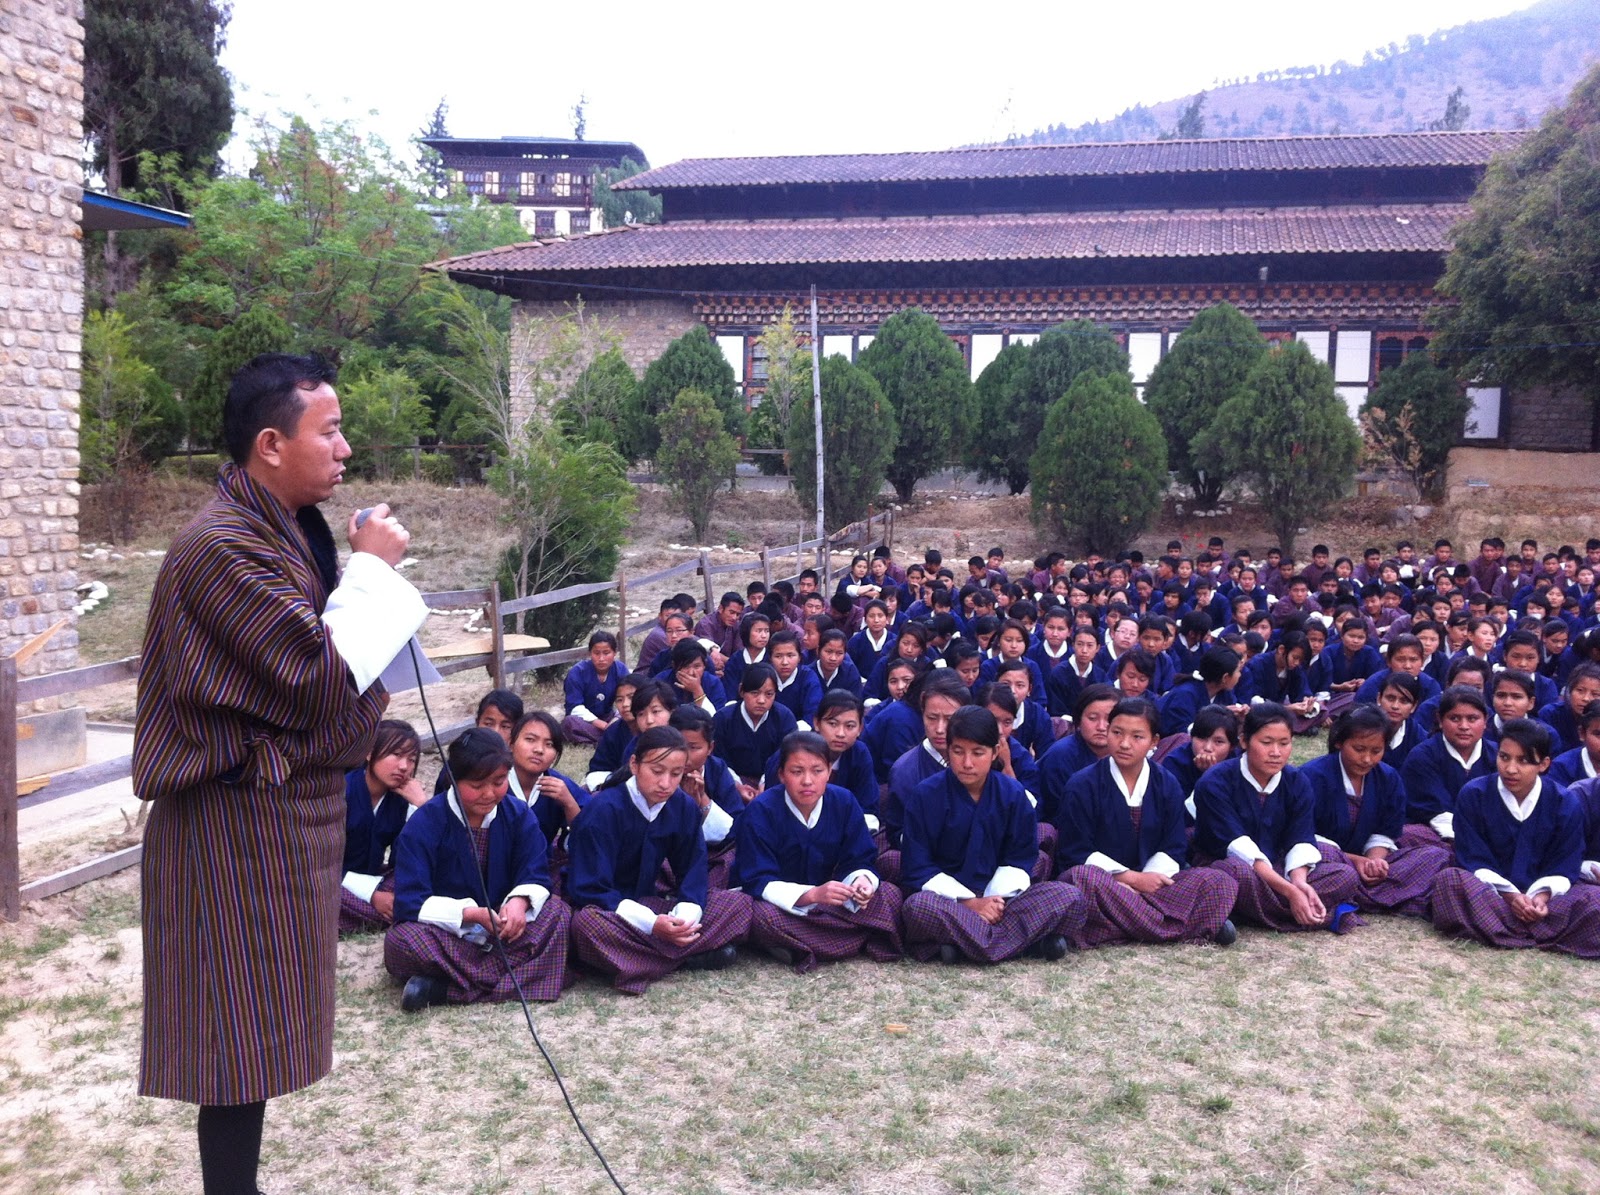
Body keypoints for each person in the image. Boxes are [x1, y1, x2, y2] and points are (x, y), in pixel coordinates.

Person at [134, 353, 426, 1195]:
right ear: (270, 443)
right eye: (328, 430)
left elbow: (324, 679)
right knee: (232, 1035)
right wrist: (371, 570)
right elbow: (315, 675)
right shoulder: (221, 546)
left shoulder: (282, 530)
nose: (344, 448)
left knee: (258, 1029)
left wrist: (360, 579)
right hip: (228, 823)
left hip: (281, 816)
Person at [383, 729, 573, 1010]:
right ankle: (524, 976)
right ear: (453, 779)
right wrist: (471, 914)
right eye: (477, 784)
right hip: (449, 935)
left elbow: (535, 872)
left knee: (558, 913)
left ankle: (443, 990)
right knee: (401, 942)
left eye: (499, 782)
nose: (489, 793)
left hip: (508, 932)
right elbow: (411, 902)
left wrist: (520, 902)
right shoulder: (424, 822)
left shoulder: (519, 815)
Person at [566, 726, 754, 994]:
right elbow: (589, 889)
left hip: (653, 903)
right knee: (586, 927)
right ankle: (687, 957)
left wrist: (686, 916)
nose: (666, 783)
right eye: (657, 771)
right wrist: (652, 925)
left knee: (740, 904)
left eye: (676, 774)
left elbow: (692, 869)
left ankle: (639, 961)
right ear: (634, 764)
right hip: (612, 912)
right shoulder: (603, 810)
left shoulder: (682, 806)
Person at [899, 707, 1087, 963]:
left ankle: (965, 945)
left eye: (978, 753)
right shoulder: (925, 795)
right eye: (958, 751)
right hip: (949, 901)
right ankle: (1023, 944)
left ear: (995, 751)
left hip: (1003, 902)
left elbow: (1020, 858)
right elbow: (918, 866)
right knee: (918, 908)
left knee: (1070, 897)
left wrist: (992, 902)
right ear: (948, 750)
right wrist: (970, 904)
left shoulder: (1012, 794)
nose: (967, 763)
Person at [1054, 699, 1239, 947]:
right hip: (1106, 883)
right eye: (1117, 733)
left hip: (1153, 884)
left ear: (1154, 741)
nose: (1124, 743)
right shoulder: (1082, 784)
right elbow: (1075, 851)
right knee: (1080, 879)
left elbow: (1174, 845)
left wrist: (1148, 879)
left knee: (1219, 881)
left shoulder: (1167, 783)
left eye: (1137, 736)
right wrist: (1131, 879)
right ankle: (1177, 924)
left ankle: (1120, 927)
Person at [1430, 718, 1600, 958]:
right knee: (1450, 881)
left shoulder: (1564, 802)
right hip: (1491, 894)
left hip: (1546, 902)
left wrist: (1541, 897)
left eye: (1523, 761)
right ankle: (1544, 933)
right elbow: (1471, 857)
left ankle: (1500, 929)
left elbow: (1566, 862)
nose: (1511, 769)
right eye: (1504, 757)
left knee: (1594, 900)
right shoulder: (1474, 794)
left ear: (1544, 764)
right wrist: (1511, 896)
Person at [736, 732, 904, 972]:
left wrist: (861, 882)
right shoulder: (761, 810)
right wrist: (812, 895)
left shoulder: (844, 801)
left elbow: (859, 858)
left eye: (817, 771)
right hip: (784, 904)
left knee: (889, 895)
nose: (807, 781)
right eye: (797, 771)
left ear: (829, 772)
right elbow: (757, 879)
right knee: (760, 916)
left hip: (830, 898)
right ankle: (853, 937)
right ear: (781, 774)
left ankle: (799, 943)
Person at [1192, 703, 1363, 933]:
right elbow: (1239, 848)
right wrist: (1289, 892)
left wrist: (1299, 883)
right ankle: (1304, 912)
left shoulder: (1296, 781)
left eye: (1284, 743)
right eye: (1266, 742)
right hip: (1229, 866)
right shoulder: (1215, 782)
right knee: (1232, 876)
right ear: (1244, 741)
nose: (1276, 752)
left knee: (1346, 875)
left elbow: (1300, 838)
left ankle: (1250, 912)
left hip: (1278, 866)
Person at [1300, 706, 1449, 917]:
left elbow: (1386, 830)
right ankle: (1385, 895)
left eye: (1376, 751)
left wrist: (1375, 861)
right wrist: (1355, 861)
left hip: (1363, 858)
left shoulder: (1388, 778)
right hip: (1327, 859)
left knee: (1437, 855)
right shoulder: (1311, 776)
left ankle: (1355, 892)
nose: (1367, 759)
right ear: (1339, 742)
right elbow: (1302, 835)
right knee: (1332, 863)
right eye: (1359, 749)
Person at [339, 720, 427, 934]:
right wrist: (372, 895)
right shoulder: (341, 793)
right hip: (331, 881)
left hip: (375, 879)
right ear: (369, 753)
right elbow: (320, 862)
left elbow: (406, 861)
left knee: (417, 883)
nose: (404, 766)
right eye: (396, 754)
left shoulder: (399, 800)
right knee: (319, 896)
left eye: (411, 759)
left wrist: (422, 807)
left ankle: (375, 913)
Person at [1399, 686, 1498, 854]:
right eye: (1455, 718)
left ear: (1485, 721)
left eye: (1472, 719)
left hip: (1489, 835)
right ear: (1440, 719)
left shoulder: (1498, 756)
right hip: (1437, 835)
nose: (1464, 726)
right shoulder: (1423, 756)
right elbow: (1436, 811)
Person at [506, 711, 588, 894]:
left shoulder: (558, 785)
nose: (539, 750)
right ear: (511, 743)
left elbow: (589, 836)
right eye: (530, 740)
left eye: (549, 744)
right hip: (494, 869)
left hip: (541, 868)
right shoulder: (496, 782)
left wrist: (568, 803)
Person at [712, 663, 798, 794]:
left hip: (773, 783)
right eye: (754, 693)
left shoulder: (784, 718)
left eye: (769, 694)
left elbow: (784, 756)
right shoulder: (723, 719)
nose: (761, 700)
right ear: (741, 691)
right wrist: (737, 785)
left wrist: (766, 783)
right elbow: (719, 758)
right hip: (730, 783)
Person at [562, 631, 629, 746]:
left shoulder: (620, 670)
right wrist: (604, 726)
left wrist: (615, 721)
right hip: (585, 721)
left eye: (606, 653)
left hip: (609, 718)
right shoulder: (577, 672)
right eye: (596, 653)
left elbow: (628, 698)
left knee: (631, 718)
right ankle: (610, 739)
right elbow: (574, 707)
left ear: (614, 653)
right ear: (590, 653)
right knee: (569, 723)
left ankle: (595, 740)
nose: (601, 658)